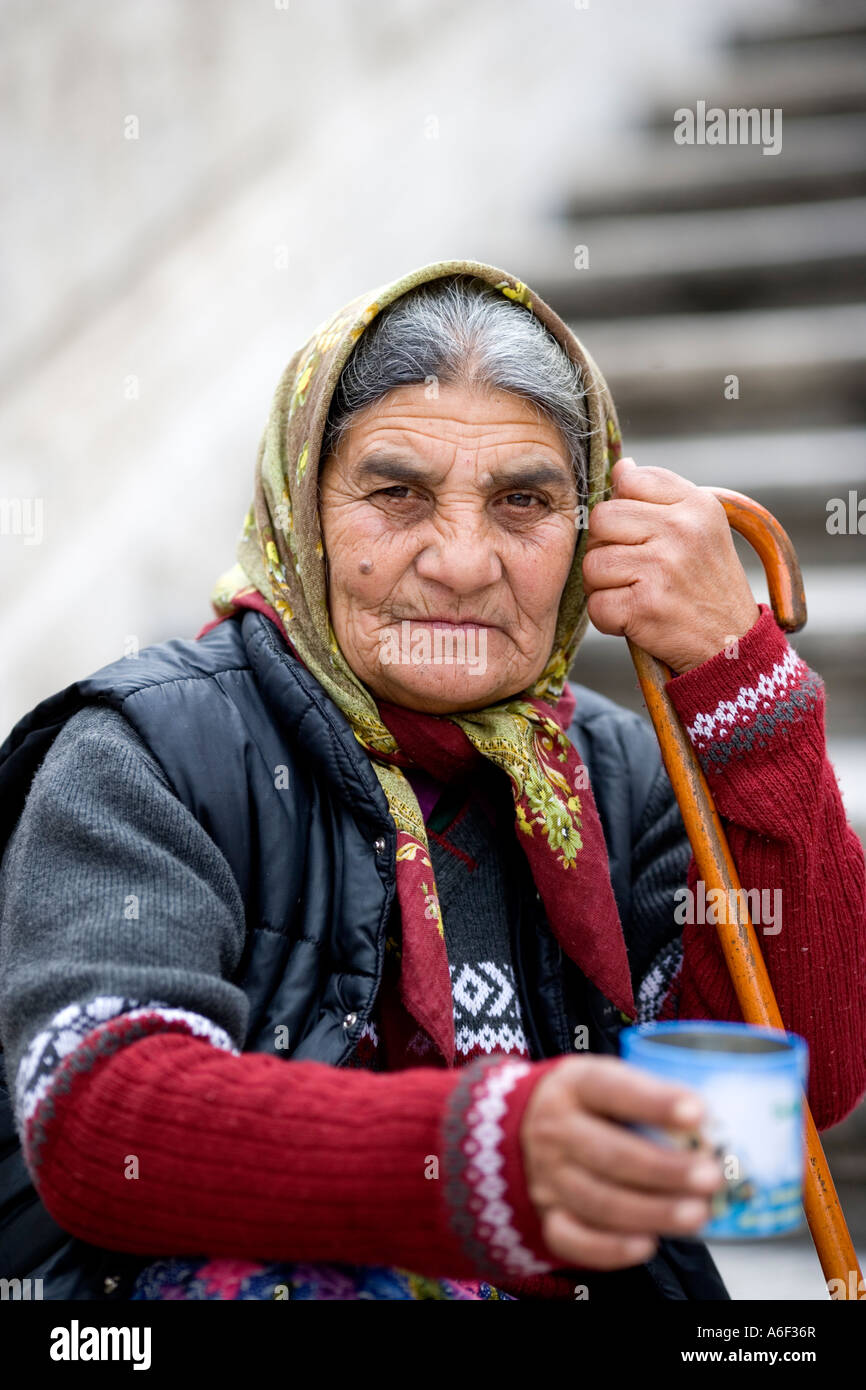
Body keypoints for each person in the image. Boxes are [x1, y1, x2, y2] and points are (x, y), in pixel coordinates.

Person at [0, 260, 864, 1302]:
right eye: (396, 493)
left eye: (523, 502)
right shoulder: (149, 752)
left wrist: (746, 685)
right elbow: (100, 1116)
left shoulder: (613, 775)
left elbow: (787, 1093)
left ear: (586, 532)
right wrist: (487, 1153)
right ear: (302, 514)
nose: (460, 560)